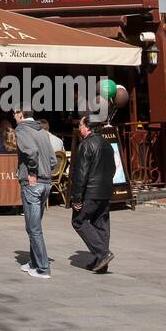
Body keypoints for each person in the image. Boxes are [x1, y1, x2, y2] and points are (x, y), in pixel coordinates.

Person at [13, 107, 57, 279]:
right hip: (46, 182)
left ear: (20, 114)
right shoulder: (42, 131)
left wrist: (32, 172)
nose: (14, 117)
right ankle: (33, 261)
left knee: (33, 228)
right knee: (34, 226)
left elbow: (30, 151)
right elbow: (53, 160)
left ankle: (42, 268)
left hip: (33, 182)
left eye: (15, 114)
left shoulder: (22, 129)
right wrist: (45, 171)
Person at [70, 114, 115, 273]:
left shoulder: (86, 145)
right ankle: (101, 261)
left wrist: (76, 198)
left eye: (81, 125)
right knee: (100, 223)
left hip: (91, 191)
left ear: (88, 127)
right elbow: (113, 168)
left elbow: (81, 174)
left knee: (79, 221)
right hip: (105, 191)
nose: (79, 128)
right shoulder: (107, 145)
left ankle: (102, 254)